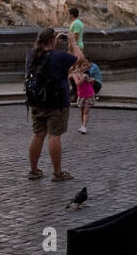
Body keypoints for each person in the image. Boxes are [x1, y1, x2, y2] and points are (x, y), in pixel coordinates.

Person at [26, 27, 87, 181]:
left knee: (38, 134)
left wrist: (55, 43)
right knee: (54, 135)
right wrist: (72, 42)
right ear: (53, 40)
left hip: (36, 100)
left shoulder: (32, 55)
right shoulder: (59, 57)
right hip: (57, 102)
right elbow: (80, 58)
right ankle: (57, 172)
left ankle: (33, 170)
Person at [72, 59, 96, 134]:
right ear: (79, 66)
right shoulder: (75, 73)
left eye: (86, 66)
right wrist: (83, 78)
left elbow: (91, 82)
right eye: (84, 65)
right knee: (82, 111)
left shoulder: (87, 73)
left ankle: (84, 127)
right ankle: (82, 125)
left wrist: (91, 80)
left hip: (89, 94)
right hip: (81, 94)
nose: (86, 67)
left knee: (86, 111)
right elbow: (77, 83)